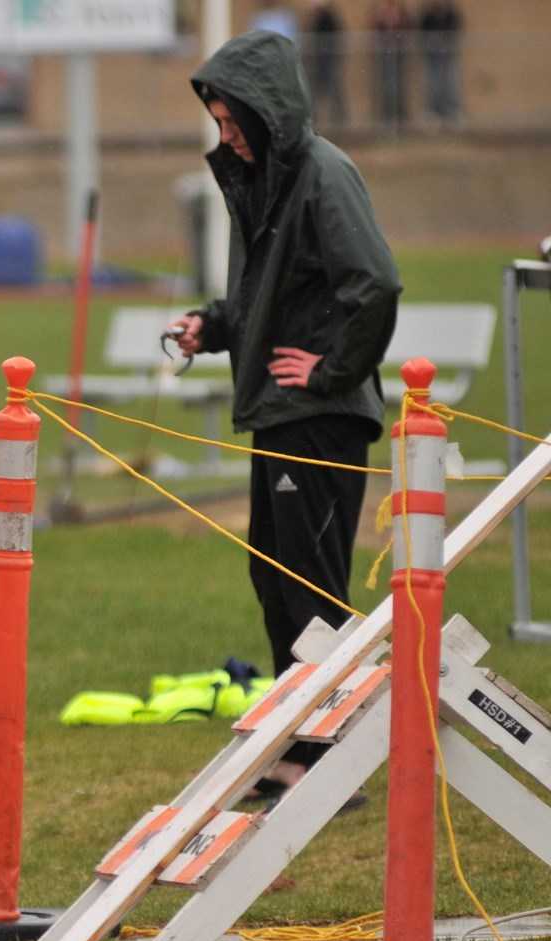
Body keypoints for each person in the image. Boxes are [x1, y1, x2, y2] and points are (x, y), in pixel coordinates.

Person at [166, 29, 400, 803]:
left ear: (269, 115)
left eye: (234, 124)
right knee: (274, 577)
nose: (227, 137)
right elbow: (278, 297)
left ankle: (329, 751)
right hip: (279, 411)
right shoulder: (267, 177)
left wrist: (330, 371)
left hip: (321, 416)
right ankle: (299, 743)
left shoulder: (326, 175)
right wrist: (215, 325)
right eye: (221, 125)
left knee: (311, 587)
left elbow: (376, 286)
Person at [418, 0, 464, 126]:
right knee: (433, 84)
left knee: (451, 83)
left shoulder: (450, 13)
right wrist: (432, 41)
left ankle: (453, 111)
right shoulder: (427, 14)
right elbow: (422, 33)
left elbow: (456, 31)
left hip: (448, 55)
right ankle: (433, 111)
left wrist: (447, 42)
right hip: (432, 56)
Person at [304, 1, 347, 127]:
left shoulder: (328, 17)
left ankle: (339, 115)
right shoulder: (318, 18)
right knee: (318, 89)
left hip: (328, 60)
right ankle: (315, 115)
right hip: (320, 60)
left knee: (333, 87)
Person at [372, 0, 411, 130]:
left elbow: (407, 30)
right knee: (387, 86)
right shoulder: (381, 18)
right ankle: (387, 114)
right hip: (386, 56)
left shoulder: (402, 16)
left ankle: (401, 115)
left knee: (399, 85)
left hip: (398, 57)